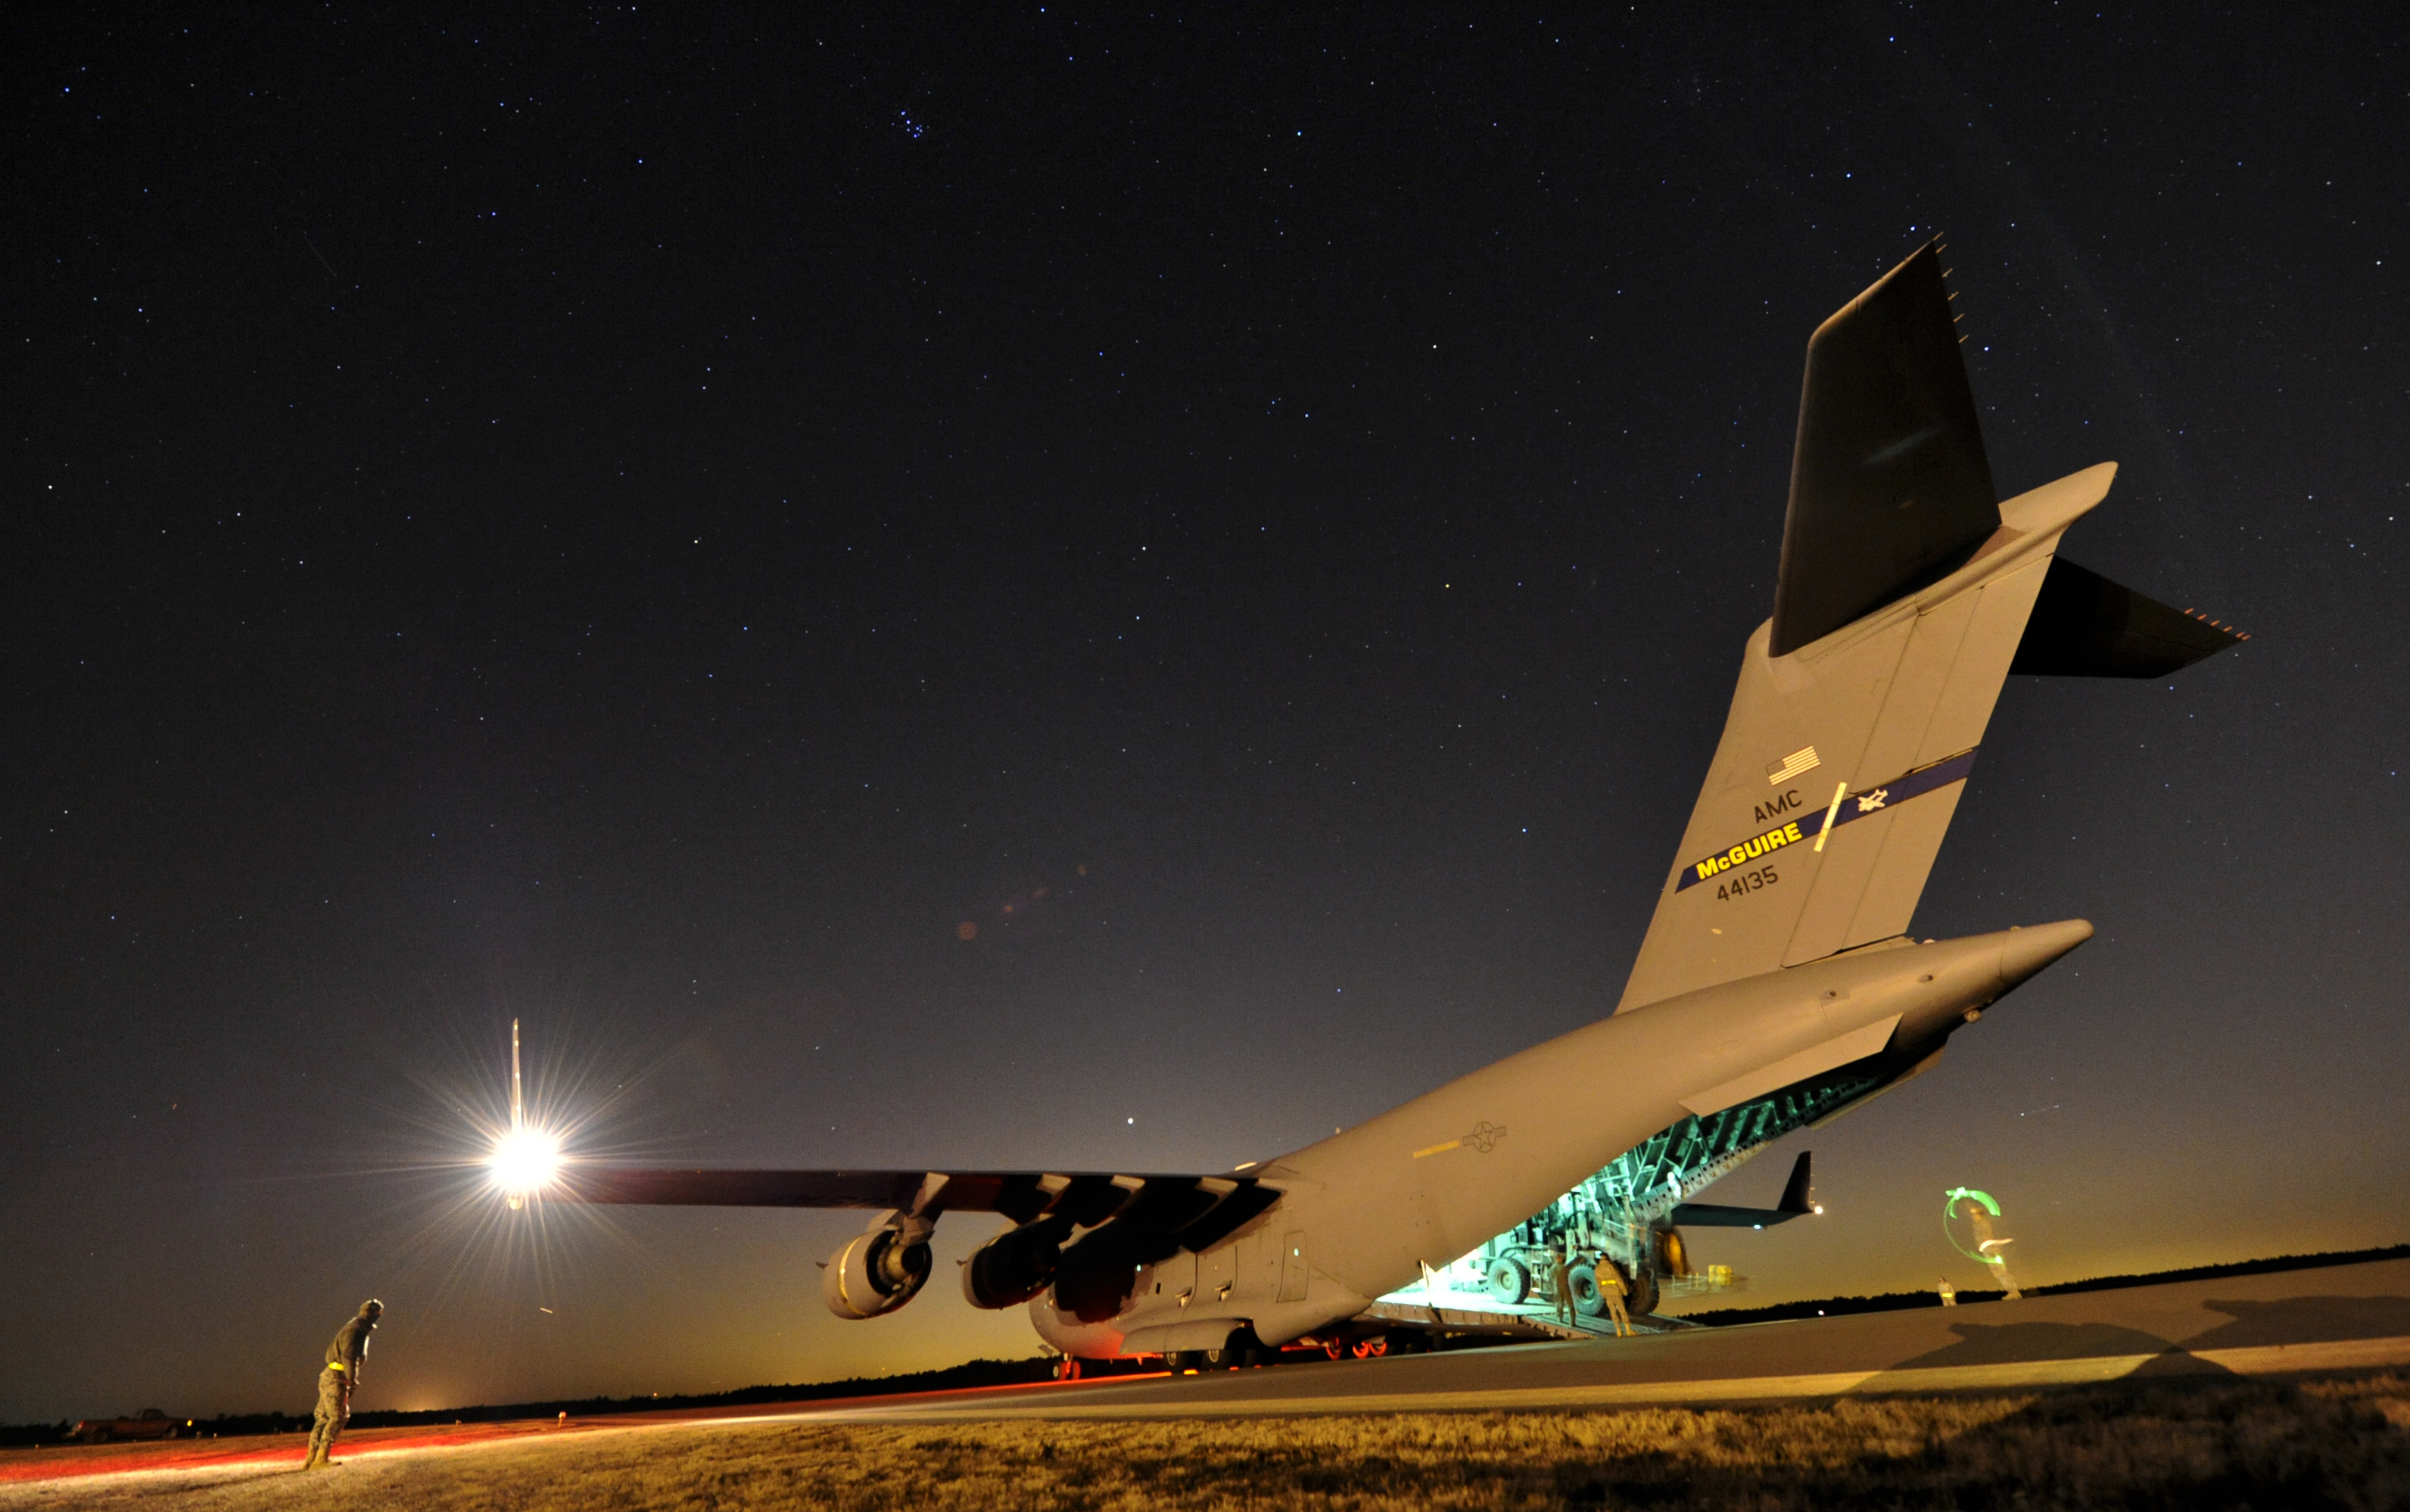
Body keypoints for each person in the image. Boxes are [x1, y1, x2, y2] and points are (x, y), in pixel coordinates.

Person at [303, 1299, 382, 1470]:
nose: (379, 1317)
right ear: (371, 1314)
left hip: (329, 1375)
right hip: (336, 1377)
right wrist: (351, 1380)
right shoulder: (356, 1330)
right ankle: (320, 1459)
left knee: (323, 1418)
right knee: (339, 1417)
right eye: (377, 1313)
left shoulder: (355, 1327)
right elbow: (349, 1357)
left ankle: (311, 1459)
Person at [1598, 1258, 1633, 1337]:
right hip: (1615, 1291)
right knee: (1622, 1310)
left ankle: (1618, 1331)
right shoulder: (1611, 1267)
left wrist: (1603, 1294)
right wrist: (1625, 1291)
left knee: (1613, 1311)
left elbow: (1598, 1284)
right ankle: (1628, 1330)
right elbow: (1619, 1279)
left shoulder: (1598, 1269)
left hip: (1607, 1293)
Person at [1549, 1238, 1575, 1327]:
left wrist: (1553, 1289)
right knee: (1570, 1304)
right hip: (1566, 1288)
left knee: (1559, 1304)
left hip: (1558, 1288)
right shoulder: (1565, 1267)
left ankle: (1560, 1319)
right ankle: (1572, 1322)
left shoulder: (1553, 1268)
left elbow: (1551, 1280)